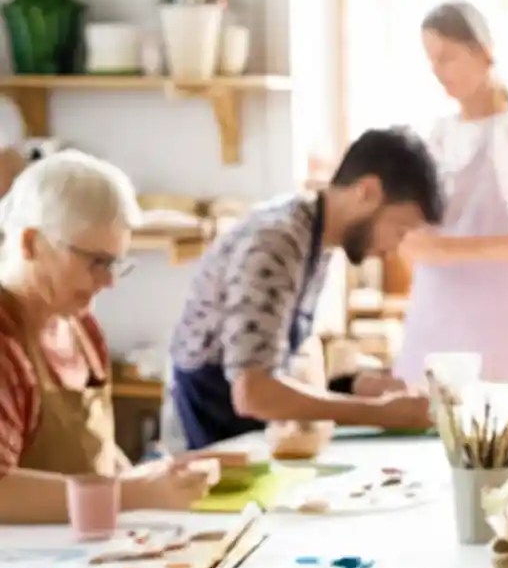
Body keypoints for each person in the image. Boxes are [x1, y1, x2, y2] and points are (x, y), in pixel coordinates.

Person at [169, 128, 441, 450]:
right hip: (213, 440)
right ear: (366, 191)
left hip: (250, 438)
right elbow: (253, 393)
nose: (393, 249)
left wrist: (355, 385)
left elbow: (280, 364)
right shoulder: (276, 242)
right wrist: (381, 414)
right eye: (400, 229)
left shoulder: (316, 236)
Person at [0, 152, 212, 524]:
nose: (109, 281)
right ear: (32, 243)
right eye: (95, 262)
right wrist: (131, 494)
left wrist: (147, 477)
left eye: (115, 262)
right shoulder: (7, 340)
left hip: (82, 553)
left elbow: (89, 450)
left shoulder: (80, 327)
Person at [393, 0, 508, 385]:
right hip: (430, 318)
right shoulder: (437, 135)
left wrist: (450, 251)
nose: (437, 71)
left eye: (446, 57)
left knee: (485, 429)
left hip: (491, 325)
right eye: (431, 60)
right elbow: (410, 227)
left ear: (482, 51)